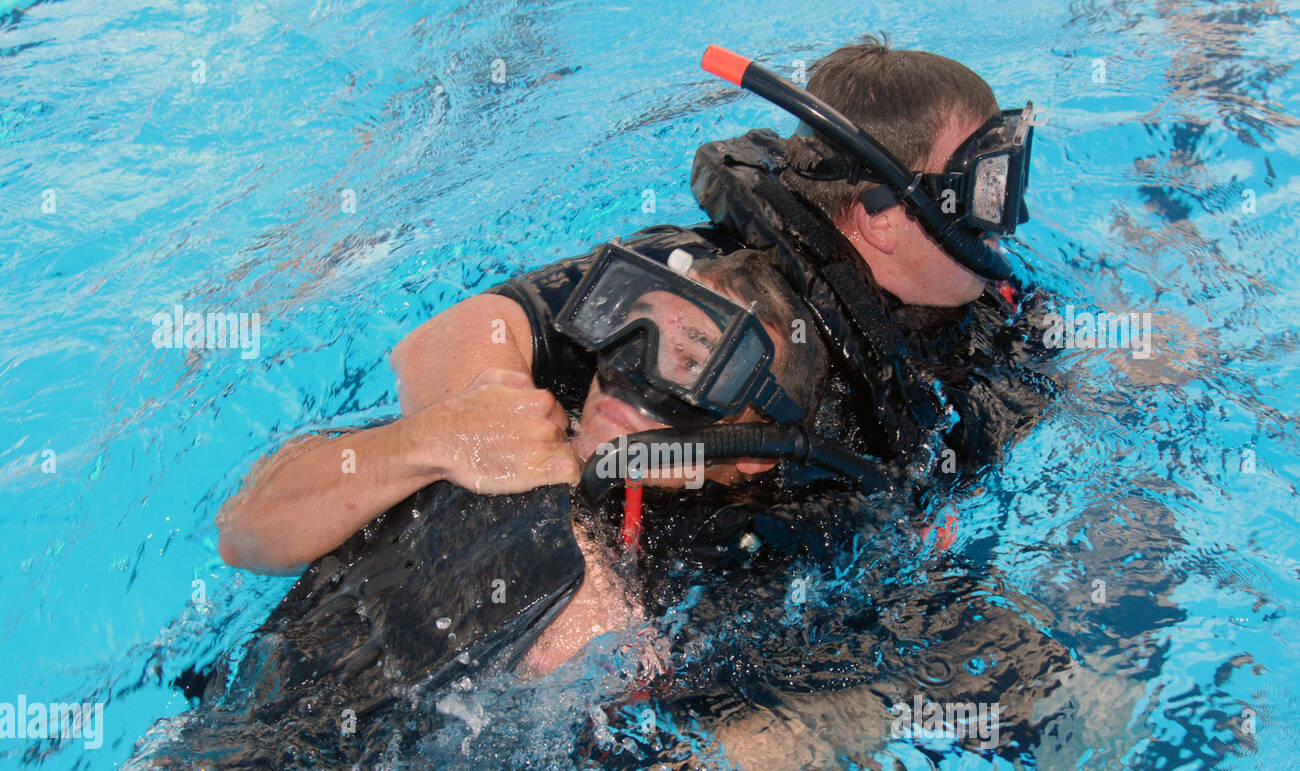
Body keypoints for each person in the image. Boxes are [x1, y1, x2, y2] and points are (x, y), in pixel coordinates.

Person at [8, 250, 834, 771]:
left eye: (694, 361)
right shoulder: (491, 427)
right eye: (638, 327)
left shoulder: (737, 576)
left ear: (751, 448)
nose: (635, 371)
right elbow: (245, 529)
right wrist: (430, 439)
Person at [215, 34, 1056, 577]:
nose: (1004, 216)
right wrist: (493, 439)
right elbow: (454, 333)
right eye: (983, 186)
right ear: (880, 217)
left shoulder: (990, 327)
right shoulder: (704, 283)